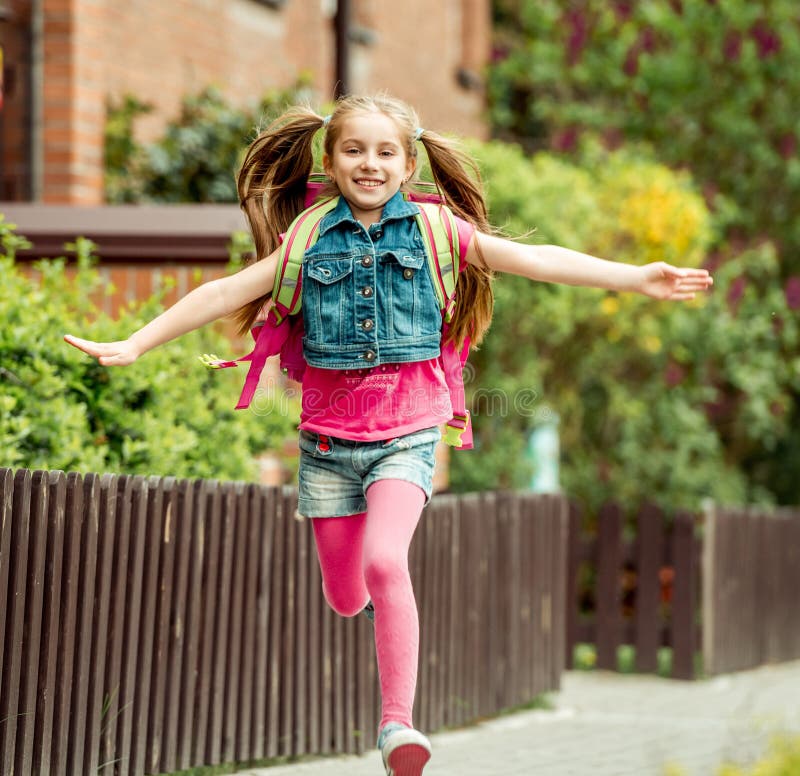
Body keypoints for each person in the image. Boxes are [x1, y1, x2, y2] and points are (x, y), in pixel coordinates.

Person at [64, 93, 713, 776]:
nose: (368, 164)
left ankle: (397, 728)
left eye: (384, 153)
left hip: (409, 434)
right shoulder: (309, 236)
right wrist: (136, 342)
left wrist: (635, 278)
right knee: (346, 597)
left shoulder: (438, 233)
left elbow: (538, 260)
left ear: (408, 163)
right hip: (327, 444)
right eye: (353, 150)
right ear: (331, 158)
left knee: (384, 562)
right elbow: (225, 292)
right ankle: (381, 617)